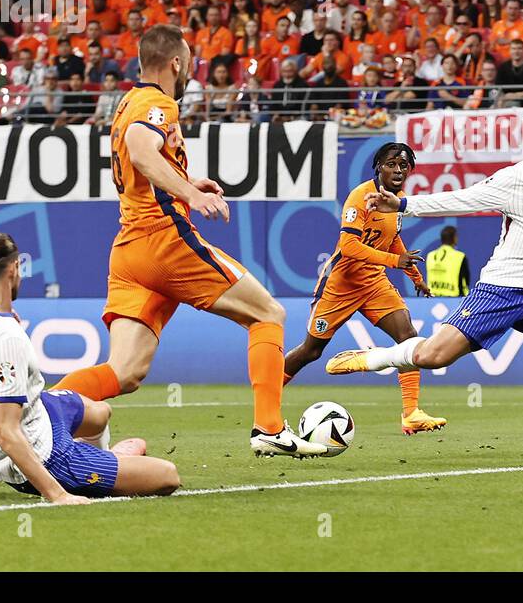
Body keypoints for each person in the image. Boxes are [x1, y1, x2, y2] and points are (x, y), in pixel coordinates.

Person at [48, 25, 327, 458]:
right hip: (164, 241)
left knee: (123, 372)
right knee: (267, 313)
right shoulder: (158, 103)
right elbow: (141, 151)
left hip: (129, 250)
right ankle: (269, 428)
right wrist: (191, 195)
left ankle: (38, 419)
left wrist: (185, 179)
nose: (193, 68)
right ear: (175, 62)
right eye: (190, 59)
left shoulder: (127, 102)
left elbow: (141, 163)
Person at [327, 105, 523, 457]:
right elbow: (461, 198)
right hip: (499, 291)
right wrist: (402, 205)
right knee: (432, 357)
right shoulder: (515, 179)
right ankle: (374, 359)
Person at [0, 232, 179, 504]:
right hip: (44, 455)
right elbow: (6, 433)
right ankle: (98, 468)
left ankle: (104, 462)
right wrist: (57, 495)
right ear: (15, 269)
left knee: (100, 412)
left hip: (40, 412)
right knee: (167, 476)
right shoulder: (5, 339)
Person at [283, 142, 447, 436]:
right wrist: (395, 262)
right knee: (311, 351)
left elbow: (393, 238)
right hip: (341, 283)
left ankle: (411, 413)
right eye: (391, 164)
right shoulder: (360, 197)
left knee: (407, 336)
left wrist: (415, 276)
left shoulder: (398, 201)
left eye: (403, 166)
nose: (398, 170)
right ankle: (267, 398)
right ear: (378, 167)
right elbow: (348, 247)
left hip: (374, 282)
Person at [426, 224, 471, 298]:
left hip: (433, 299)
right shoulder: (460, 256)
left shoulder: (430, 255)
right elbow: (466, 281)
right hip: (455, 299)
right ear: (455, 238)